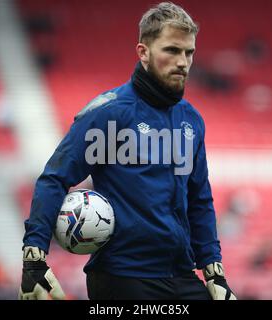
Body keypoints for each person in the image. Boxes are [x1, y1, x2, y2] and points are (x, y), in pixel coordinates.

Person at [19, 2, 236, 300]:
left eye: (189, 52)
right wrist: (34, 260)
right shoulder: (109, 114)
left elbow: (199, 199)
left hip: (180, 274)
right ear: (143, 52)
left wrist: (214, 270)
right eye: (172, 50)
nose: (183, 62)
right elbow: (54, 178)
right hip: (122, 277)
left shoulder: (191, 120)